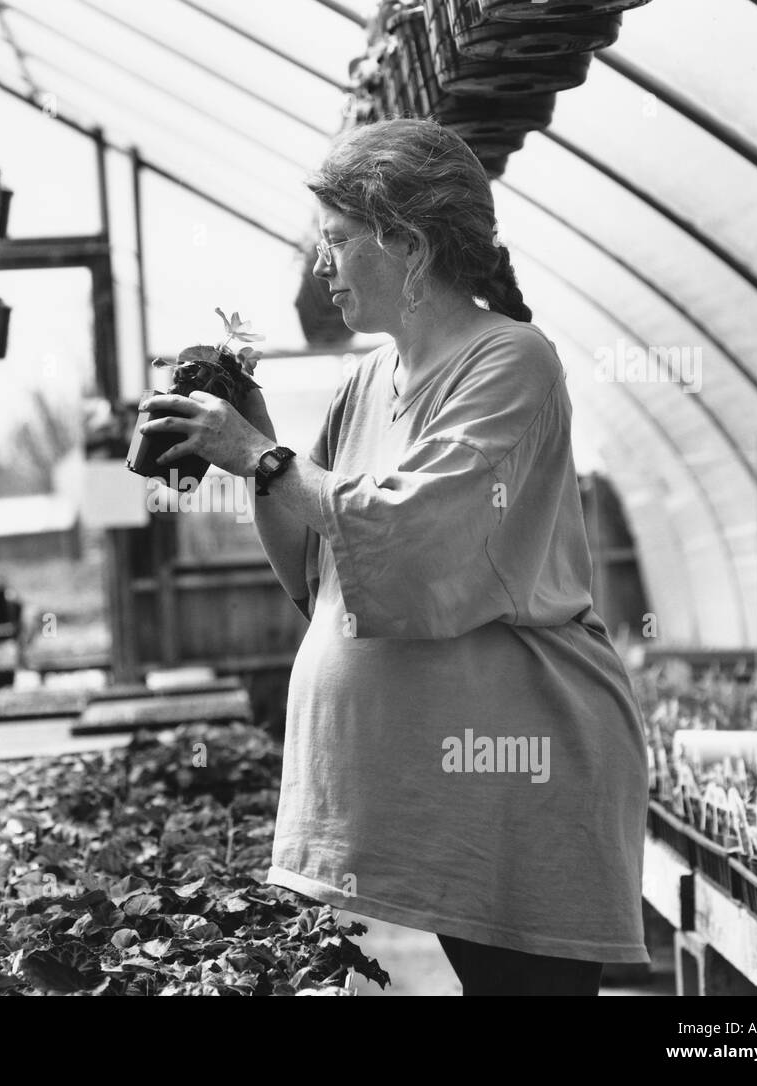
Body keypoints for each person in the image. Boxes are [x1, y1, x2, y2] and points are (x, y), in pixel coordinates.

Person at [136, 118, 650, 996]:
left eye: (337, 241)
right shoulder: (367, 381)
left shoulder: (511, 362)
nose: (322, 267)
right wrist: (256, 437)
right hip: (444, 788)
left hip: (517, 767)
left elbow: (416, 537)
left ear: (407, 245)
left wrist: (263, 458)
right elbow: (316, 568)